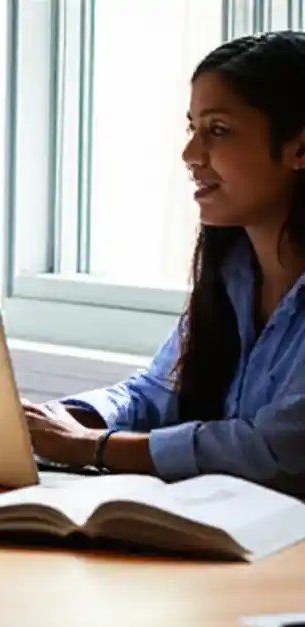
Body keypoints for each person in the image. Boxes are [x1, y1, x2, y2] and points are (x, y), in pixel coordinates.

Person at [24, 31, 305, 486]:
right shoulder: (233, 273)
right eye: (192, 128)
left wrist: (90, 446)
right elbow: (156, 393)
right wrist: (61, 418)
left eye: (218, 131)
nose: (190, 154)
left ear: (300, 148)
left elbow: (276, 451)